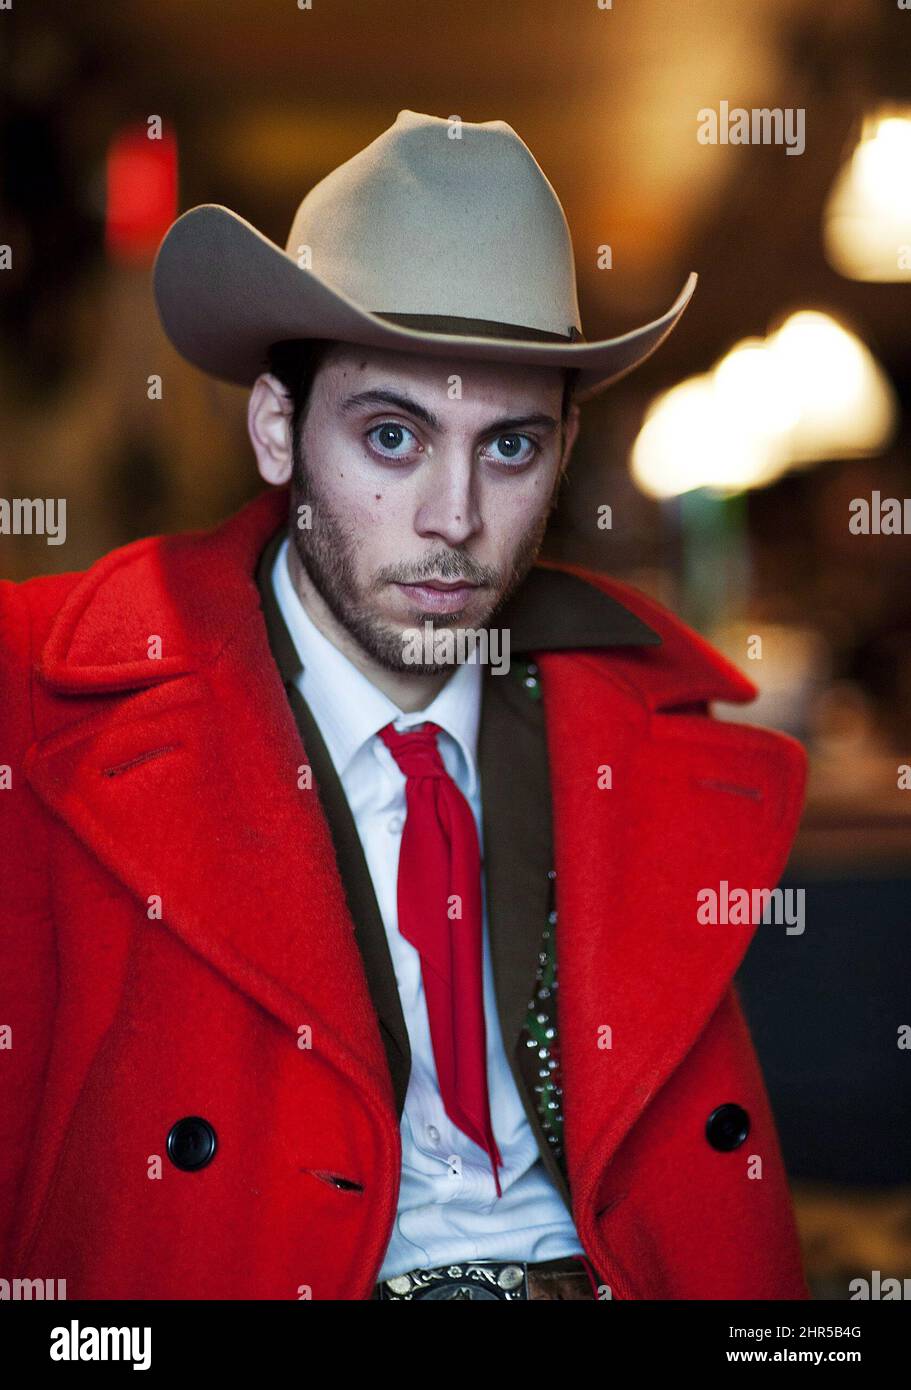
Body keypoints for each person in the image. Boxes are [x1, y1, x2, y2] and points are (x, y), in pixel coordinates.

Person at [0, 109, 809, 1301]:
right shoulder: (41, 695)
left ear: (564, 449)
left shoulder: (640, 727)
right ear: (277, 431)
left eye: (510, 448)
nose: (452, 519)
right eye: (392, 435)